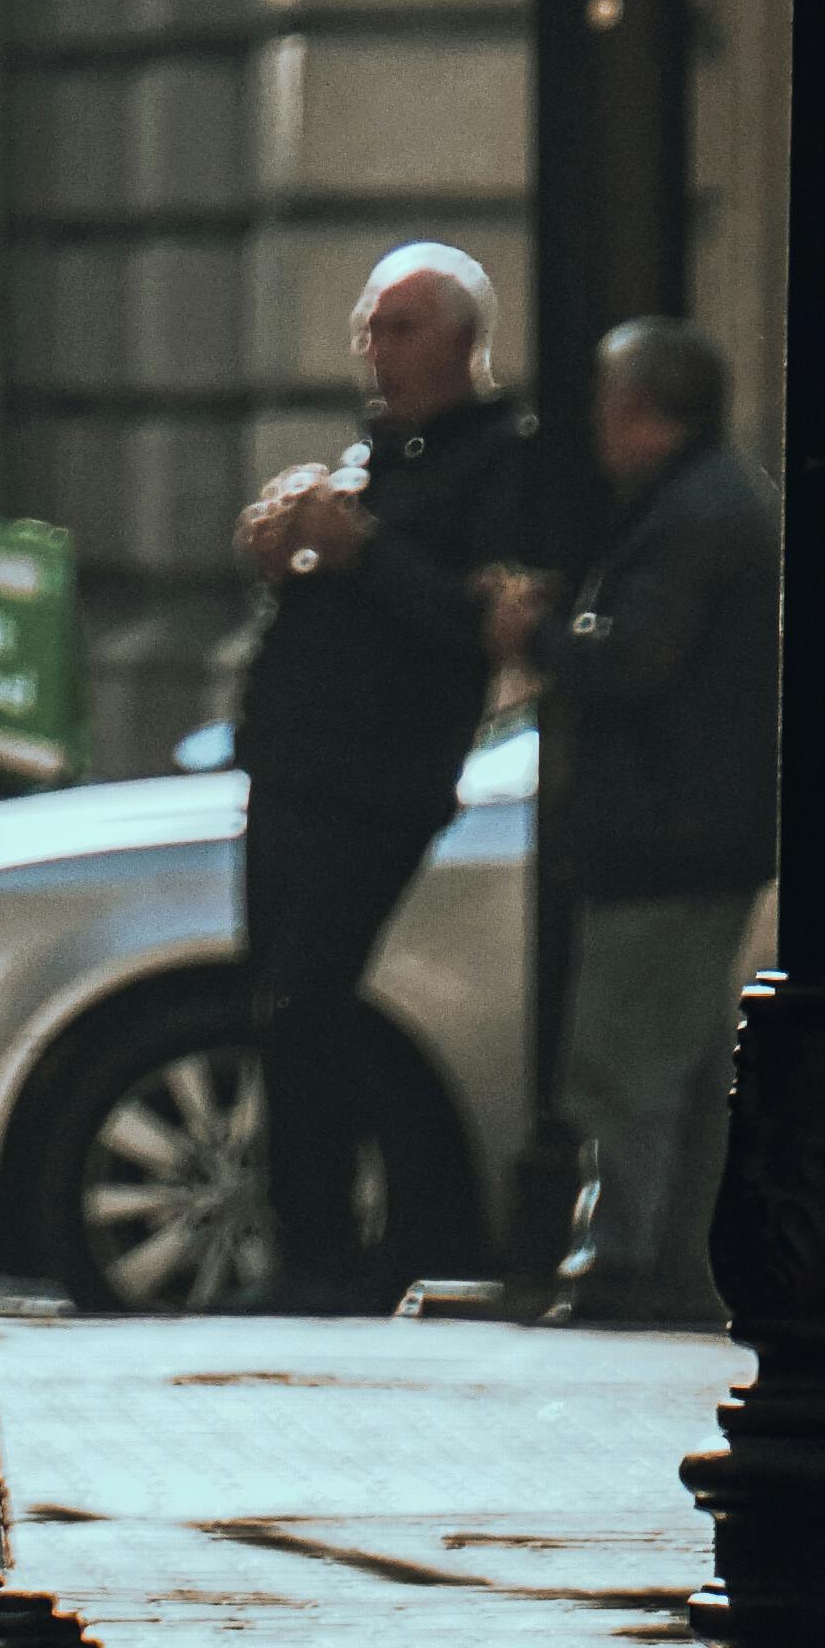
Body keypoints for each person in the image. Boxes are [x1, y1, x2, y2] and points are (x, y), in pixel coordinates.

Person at [228, 242, 537, 1302]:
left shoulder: (499, 459)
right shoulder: (374, 458)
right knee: (274, 1002)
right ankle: (305, 1243)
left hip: (383, 778)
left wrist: (361, 552)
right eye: (369, 328)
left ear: (460, 341)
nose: (377, 350)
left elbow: (478, 628)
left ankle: (347, 1248)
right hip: (293, 771)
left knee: (308, 1000)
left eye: (400, 329)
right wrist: (289, 550)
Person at [494, 316, 778, 1327]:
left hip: (667, 838)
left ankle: (622, 1263)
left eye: (608, 411)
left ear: (634, 414)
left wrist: (541, 634)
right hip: (698, 834)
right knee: (685, 1066)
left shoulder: (689, 517)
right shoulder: (710, 503)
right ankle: (676, 1264)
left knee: (631, 1064)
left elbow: (633, 661)